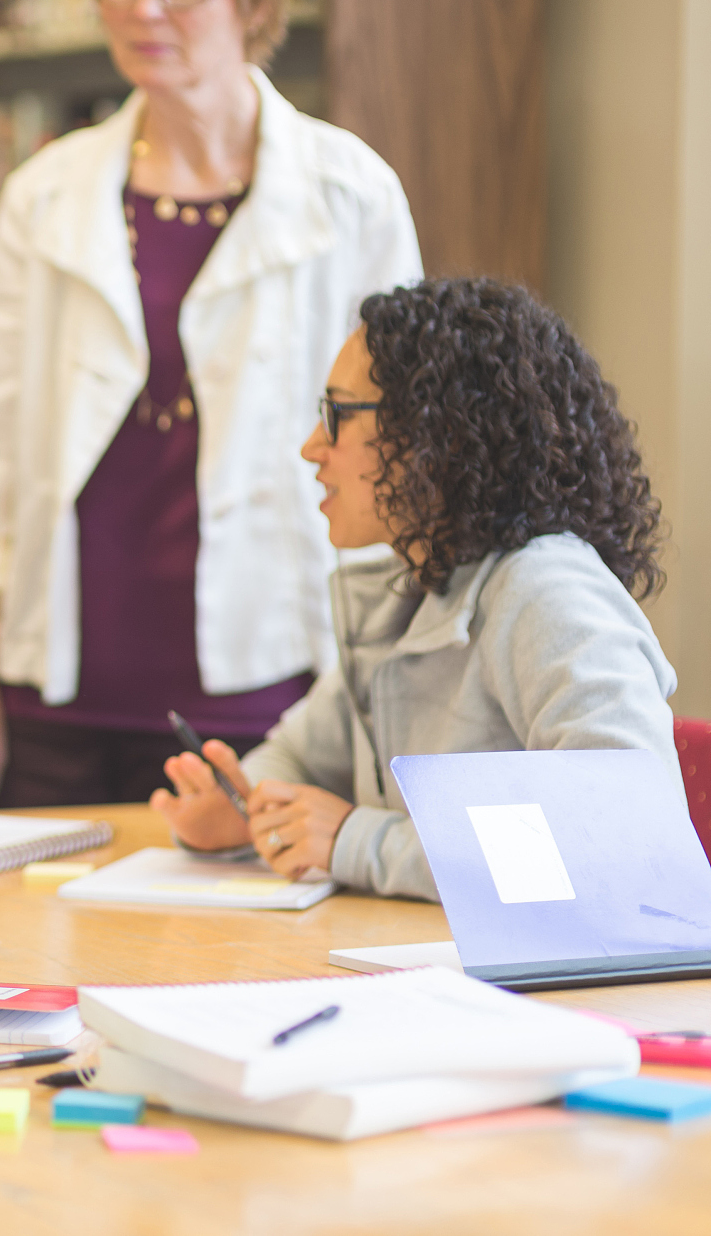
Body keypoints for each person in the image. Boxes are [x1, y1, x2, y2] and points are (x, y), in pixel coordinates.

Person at [0, 0, 421, 811]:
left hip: (271, 695)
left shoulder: (349, 193)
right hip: (55, 696)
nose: (143, 8)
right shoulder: (45, 194)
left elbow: (397, 462)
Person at [155, 279, 678, 901]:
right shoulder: (408, 593)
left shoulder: (545, 590)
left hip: (546, 997)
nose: (311, 447)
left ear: (439, 435)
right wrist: (244, 811)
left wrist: (359, 842)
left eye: (337, 415)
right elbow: (293, 759)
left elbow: (626, 833)